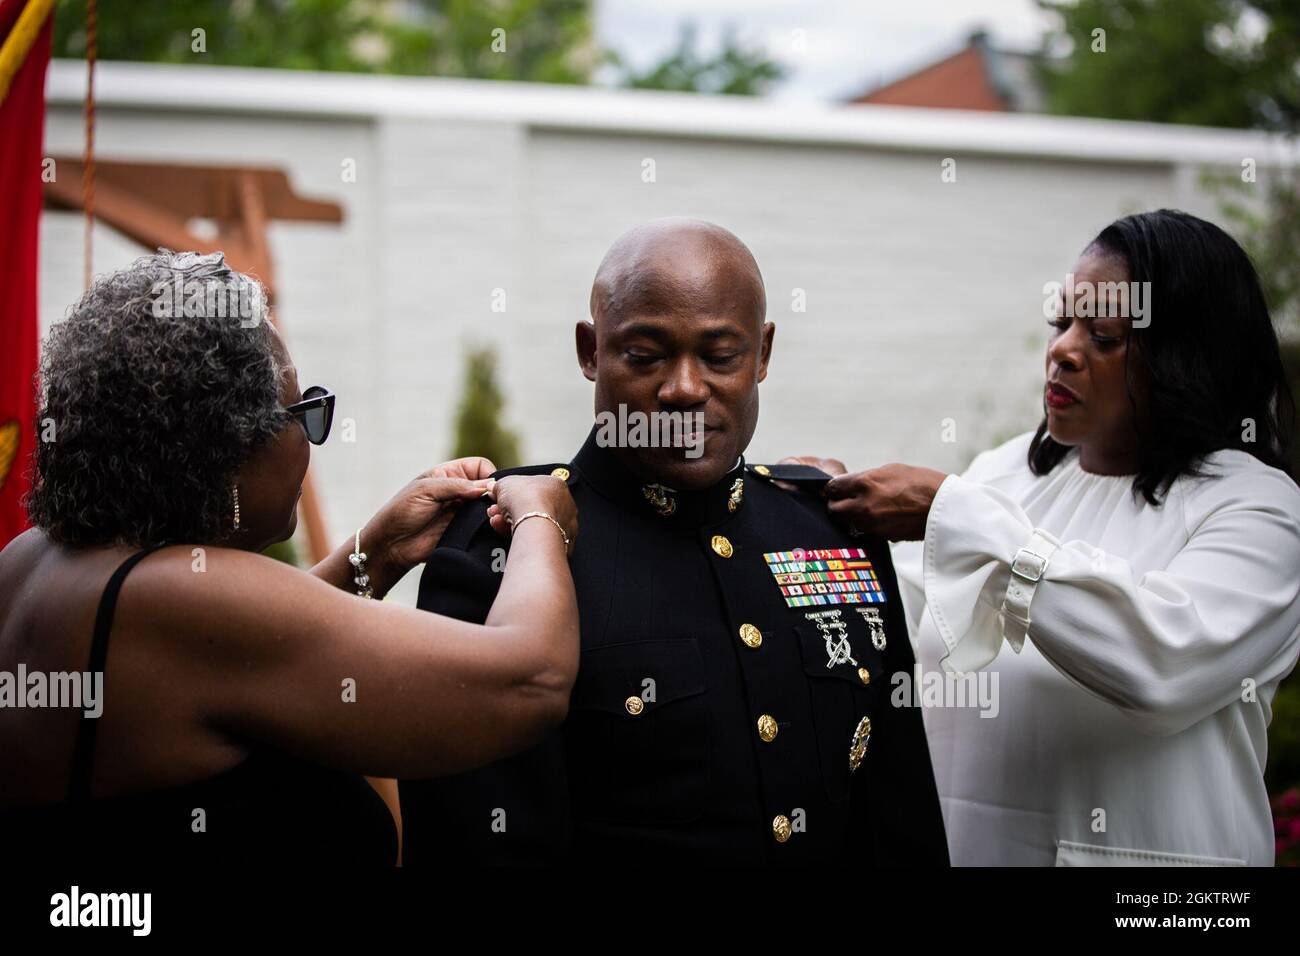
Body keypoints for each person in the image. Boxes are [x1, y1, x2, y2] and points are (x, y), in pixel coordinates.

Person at [0, 251, 580, 864]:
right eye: (302, 412)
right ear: (226, 444)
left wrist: (375, 554)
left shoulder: (30, 561)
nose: (308, 437)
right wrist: (543, 517)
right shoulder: (181, 604)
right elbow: (527, 681)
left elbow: (228, 664)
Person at [400, 218, 948, 865]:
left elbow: (897, 818)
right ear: (589, 350)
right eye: (645, 355)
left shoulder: (831, 530)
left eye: (720, 356)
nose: (685, 389)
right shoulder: (504, 549)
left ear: (763, 354)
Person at [805, 210, 1300, 866]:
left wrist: (953, 514)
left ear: (1188, 353)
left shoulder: (1259, 510)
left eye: (1102, 334)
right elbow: (910, 616)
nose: (1063, 349)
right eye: (1061, 322)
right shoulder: (1006, 475)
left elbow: (1159, 661)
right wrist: (819, 527)